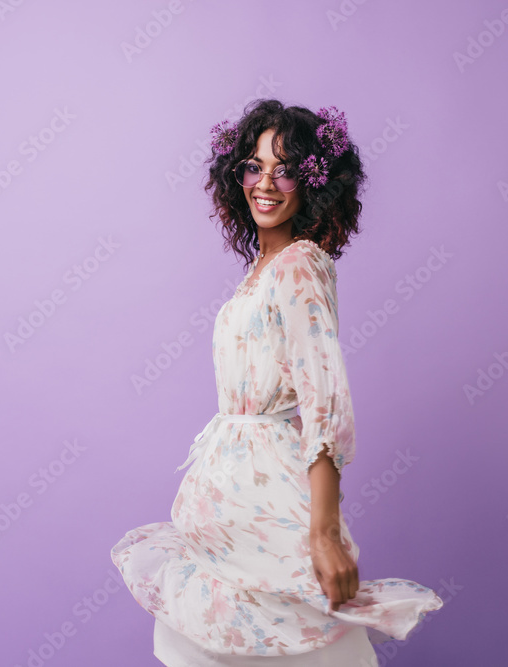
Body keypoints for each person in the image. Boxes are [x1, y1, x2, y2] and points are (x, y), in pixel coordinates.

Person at [111, 99, 443, 665]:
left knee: (299, 645)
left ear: (313, 184)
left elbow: (324, 400)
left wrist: (324, 533)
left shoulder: (299, 265)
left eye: (284, 168)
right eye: (253, 166)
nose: (265, 183)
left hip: (269, 491)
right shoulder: (264, 269)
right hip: (229, 500)